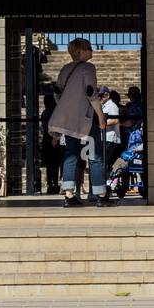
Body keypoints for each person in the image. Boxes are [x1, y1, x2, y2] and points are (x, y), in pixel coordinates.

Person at [48, 38, 112, 208]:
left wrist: (69, 107)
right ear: (81, 51)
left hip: (69, 121)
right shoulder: (88, 68)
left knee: (70, 155)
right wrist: (100, 117)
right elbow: (91, 93)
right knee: (95, 156)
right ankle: (100, 194)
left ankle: (69, 195)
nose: (92, 51)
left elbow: (57, 93)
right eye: (89, 48)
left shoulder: (65, 69)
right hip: (86, 120)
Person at [39, 92, 61, 194]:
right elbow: (49, 127)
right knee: (53, 164)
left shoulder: (47, 112)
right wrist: (55, 137)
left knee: (52, 164)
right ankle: (53, 184)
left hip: (49, 139)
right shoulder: (50, 113)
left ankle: (52, 184)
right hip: (51, 139)